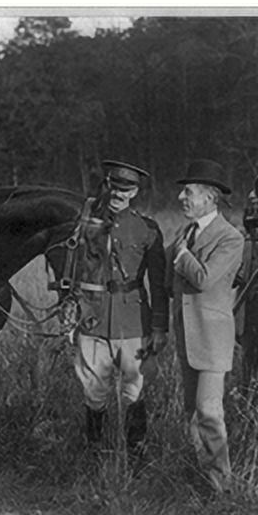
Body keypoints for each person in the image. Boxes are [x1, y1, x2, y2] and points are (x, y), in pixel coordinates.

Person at [73, 160, 169, 455]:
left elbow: (159, 282)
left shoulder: (146, 229)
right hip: (93, 319)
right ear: (107, 185)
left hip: (133, 321)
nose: (118, 194)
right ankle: (95, 451)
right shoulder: (87, 223)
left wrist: (159, 327)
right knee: (94, 390)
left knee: (134, 389)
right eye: (114, 187)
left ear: (135, 192)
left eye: (125, 189)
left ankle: (136, 454)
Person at [168, 159, 245, 494]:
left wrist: (182, 253)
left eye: (189, 192)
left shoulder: (230, 237)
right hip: (187, 335)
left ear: (210, 198)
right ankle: (201, 477)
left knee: (208, 412)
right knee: (191, 412)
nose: (182, 198)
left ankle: (221, 485)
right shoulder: (185, 232)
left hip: (212, 339)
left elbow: (204, 278)